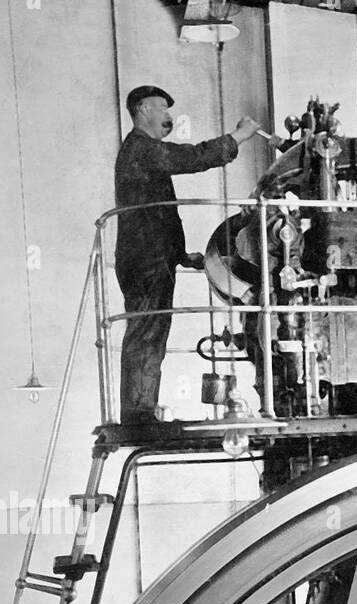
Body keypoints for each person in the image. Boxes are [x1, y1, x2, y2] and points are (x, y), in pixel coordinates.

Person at [113, 85, 259, 423]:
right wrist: (238, 136)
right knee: (147, 331)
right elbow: (190, 158)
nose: (169, 117)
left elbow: (156, 213)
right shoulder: (140, 148)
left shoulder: (141, 152)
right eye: (162, 109)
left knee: (152, 331)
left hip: (153, 256)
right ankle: (137, 413)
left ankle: (141, 409)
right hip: (146, 260)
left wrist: (180, 255)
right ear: (144, 110)